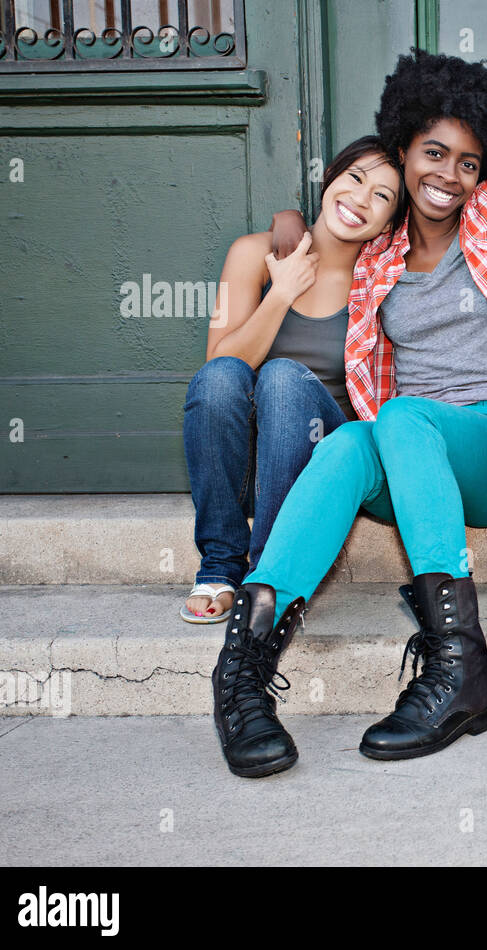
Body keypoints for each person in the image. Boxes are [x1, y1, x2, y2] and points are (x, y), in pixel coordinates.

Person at [211, 49, 487, 778]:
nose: (448, 174)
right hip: (410, 454)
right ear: (402, 148)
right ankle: (241, 674)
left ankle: (458, 665)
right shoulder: (378, 253)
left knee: (399, 418)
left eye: (466, 161)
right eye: (432, 153)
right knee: (349, 446)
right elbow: (315, 224)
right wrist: (286, 220)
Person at [181, 136, 401, 624]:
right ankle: (219, 565)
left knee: (281, 377)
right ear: (331, 178)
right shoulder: (253, 252)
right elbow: (219, 361)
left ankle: (266, 574)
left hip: (317, 464)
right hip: (248, 467)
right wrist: (280, 292)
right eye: (356, 179)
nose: (361, 200)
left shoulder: (381, 278)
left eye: (382, 197)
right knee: (220, 377)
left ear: (389, 222)